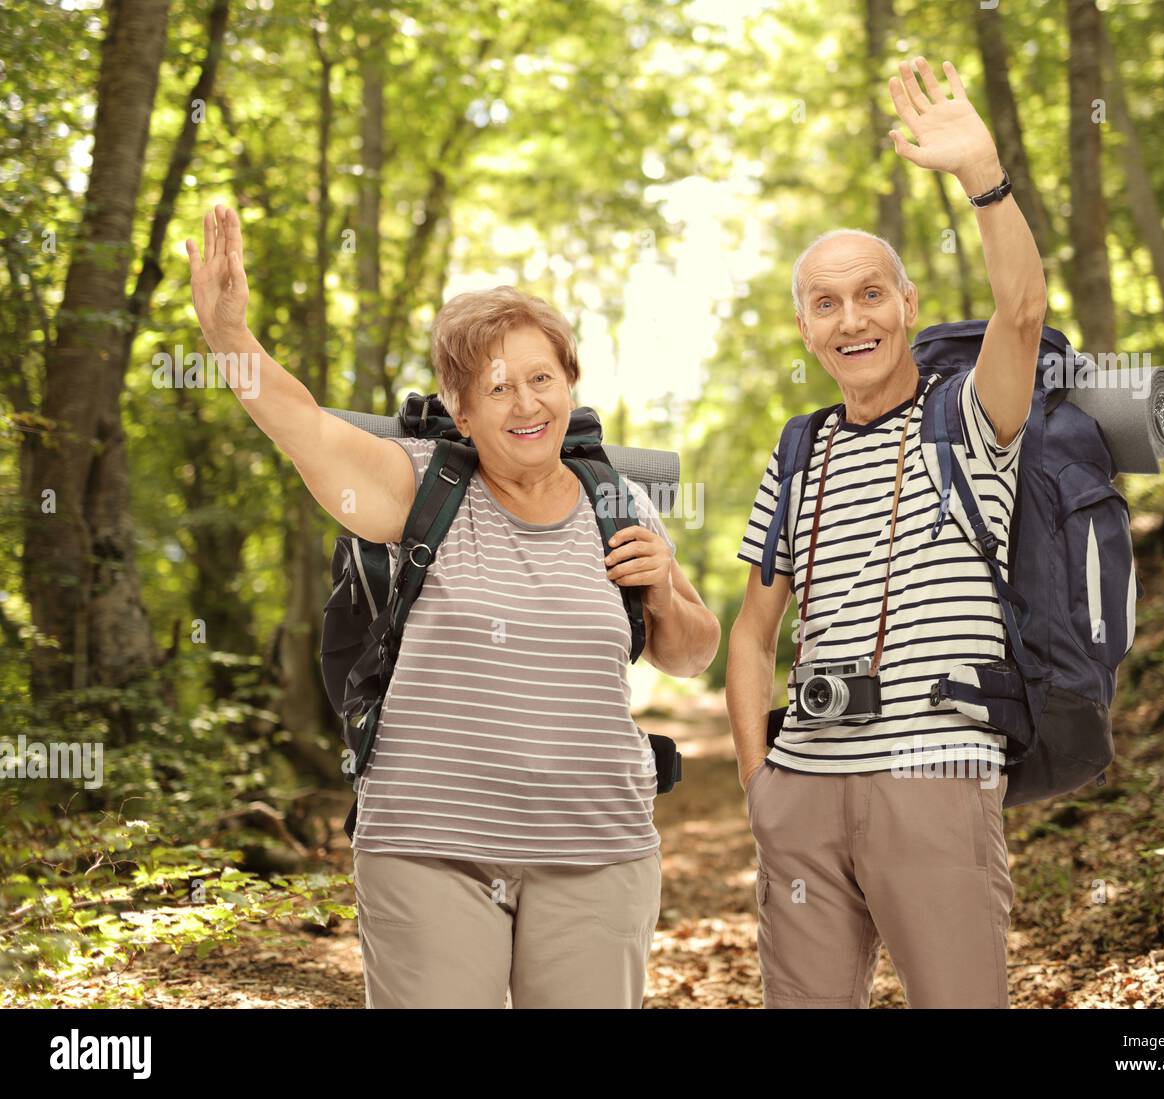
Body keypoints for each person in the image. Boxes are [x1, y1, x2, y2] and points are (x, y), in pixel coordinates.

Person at [186, 206, 720, 1008]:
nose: (525, 403)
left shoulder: (622, 500)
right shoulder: (418, 487)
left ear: (569, 385)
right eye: (496, 387)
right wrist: (231, 337)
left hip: (599, 845)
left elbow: (690, 652)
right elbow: (302, 426)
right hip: (428, 846)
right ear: (463, 413)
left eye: (541, 378)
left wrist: (662, 588)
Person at [726, 56, 1046, 1008]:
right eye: (826, 302)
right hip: (804, 793)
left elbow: (1022, 315)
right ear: (804, 328)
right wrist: (761, 787)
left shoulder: (970, 416)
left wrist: (981, 177)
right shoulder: (796, 449)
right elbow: (752, 633)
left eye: (871, 294)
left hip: (936, 780)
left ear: (906, 307)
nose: (851, 317)